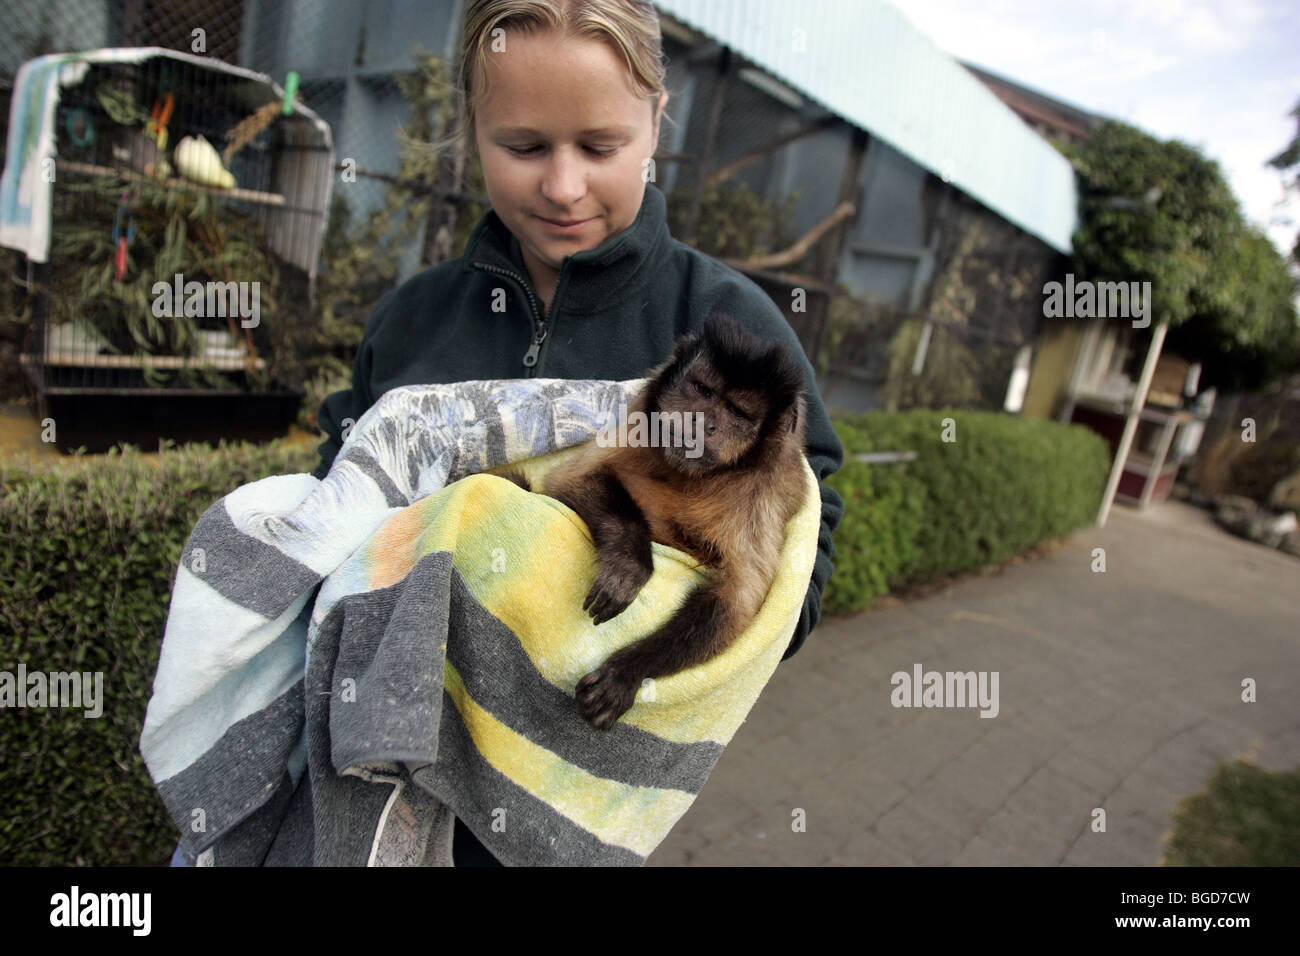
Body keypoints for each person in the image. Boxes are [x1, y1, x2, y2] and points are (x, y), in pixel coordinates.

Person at [309, 0, 845, 867]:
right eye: (523, 147)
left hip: (569, 773)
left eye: (599, 148)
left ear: (656, 123)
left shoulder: (728, 323)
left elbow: (794, 565)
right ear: (472, 125)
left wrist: (633, 660)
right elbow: (340, 488)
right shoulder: (413, 319)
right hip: (379, 746)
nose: (562, 186)